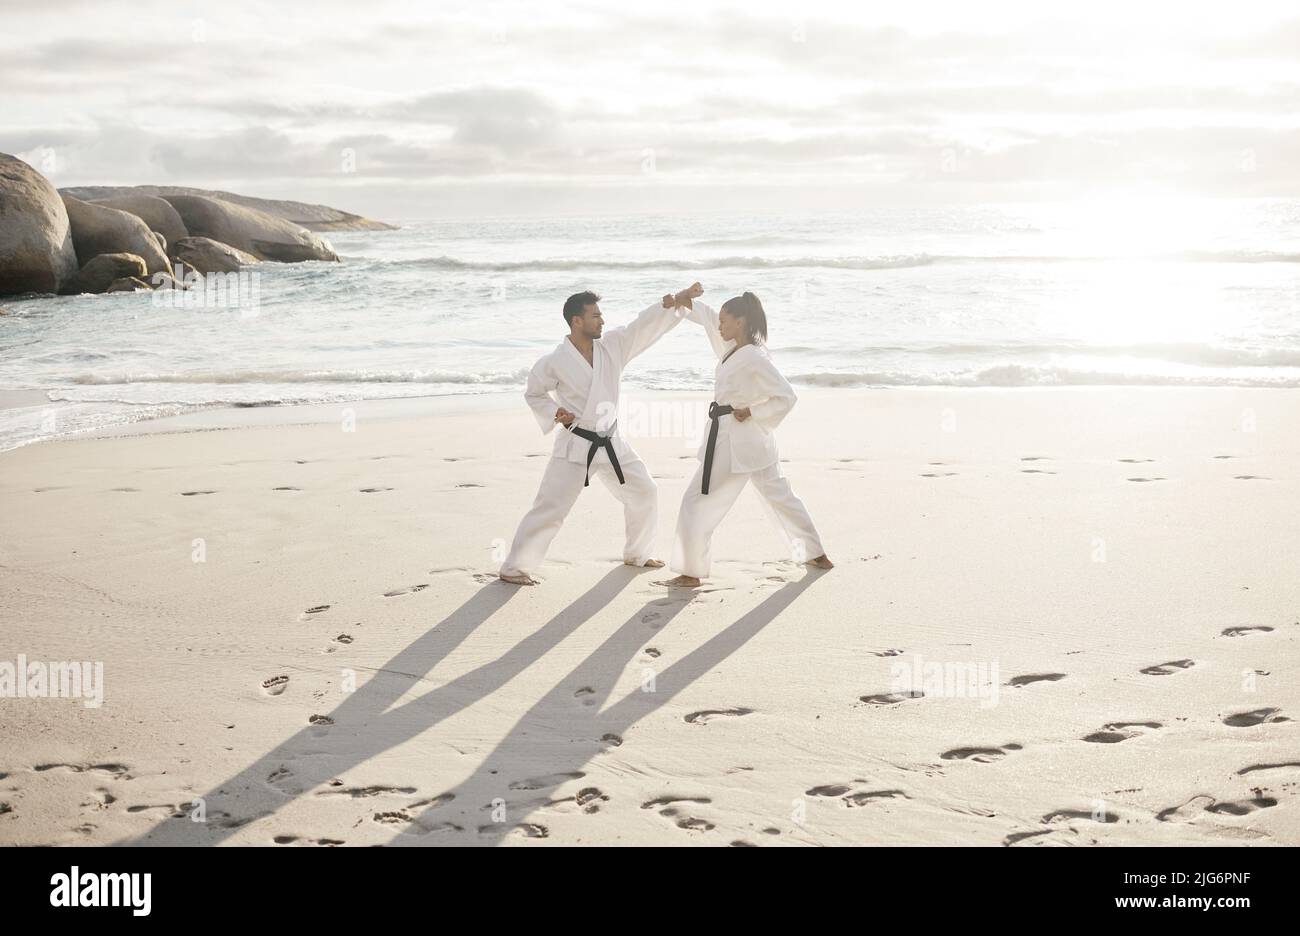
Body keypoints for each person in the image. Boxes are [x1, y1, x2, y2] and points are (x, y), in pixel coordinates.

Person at [498, 285, 701, 586]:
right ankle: (514, 567)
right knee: (551, 508)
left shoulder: (612, 347)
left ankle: (638, 554)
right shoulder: (554, 361)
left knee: (644, 491)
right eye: (595, 316)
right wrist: (555, 412)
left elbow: (639, 328)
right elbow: (534, 392)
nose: (602, 320)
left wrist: (671, 305)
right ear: (576, 321)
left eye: (601, 315)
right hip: (576, 443)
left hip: (612, 441)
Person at [657, 287, 832, 587]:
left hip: (733, 441)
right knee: (781, 497)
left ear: (740, 322)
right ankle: (817, 554)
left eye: (725, 321)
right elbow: (709, 318)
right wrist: (686, 301)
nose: (719, 326)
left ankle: (690, 572)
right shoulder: (733, 349)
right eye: (720, 321)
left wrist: (752, 410)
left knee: (695, 501)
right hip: (755, 443)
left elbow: (786, 396)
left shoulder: (753, 357)